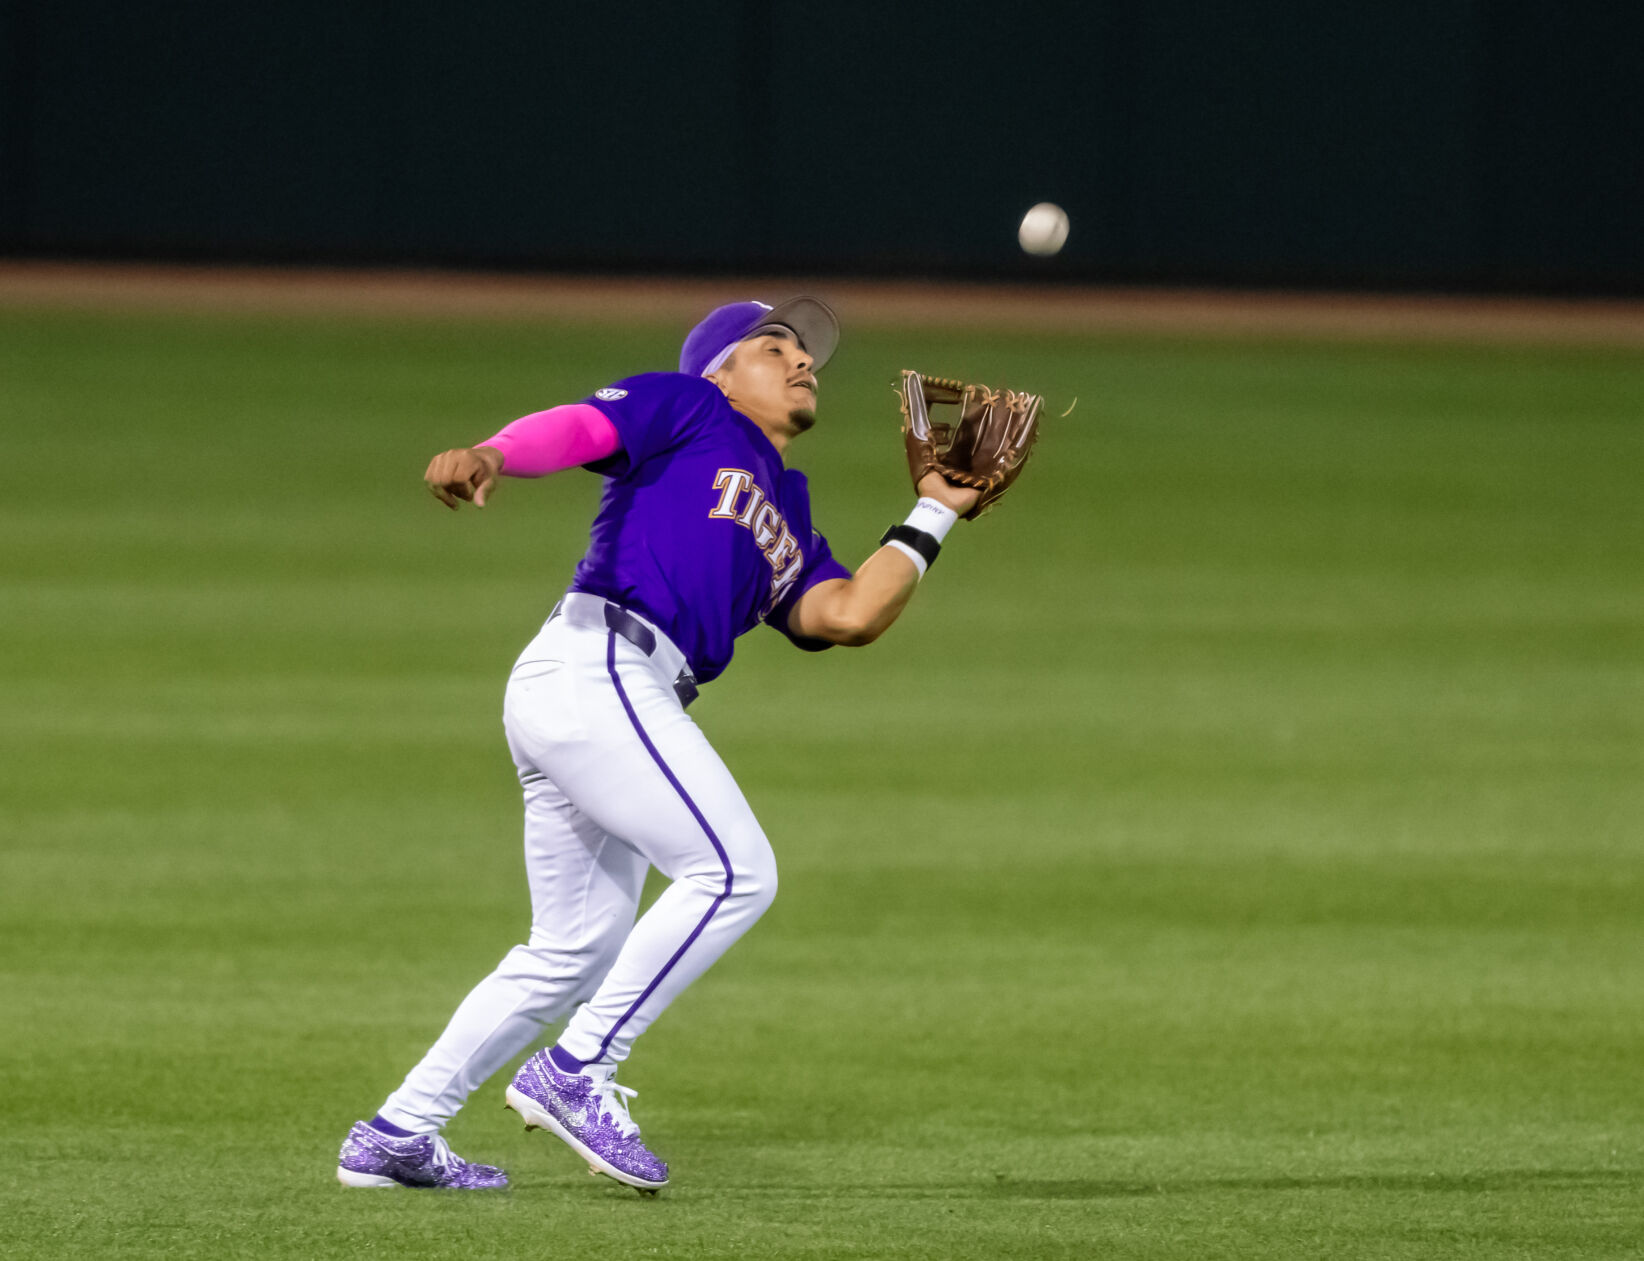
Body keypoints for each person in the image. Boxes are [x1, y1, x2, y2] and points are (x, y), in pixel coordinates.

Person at [336, 297, 978, 1192]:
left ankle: (399, 1131)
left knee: (574, 946)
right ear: (719, 368)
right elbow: (580, 426)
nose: (802, 362)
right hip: (600, 664)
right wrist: (494, 452)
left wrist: (934, 510)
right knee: (735, 871)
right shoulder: (688, 407)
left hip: (605, 692)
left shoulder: (784, 506)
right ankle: (576, 1070)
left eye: (808, 353)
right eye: (774, 346)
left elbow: (848, 613)